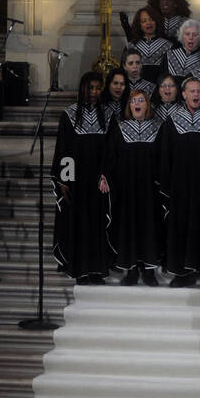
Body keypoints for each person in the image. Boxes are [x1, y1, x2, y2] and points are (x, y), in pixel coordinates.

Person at [51, 71, 112, 284]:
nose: (94, 92)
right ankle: (80, 270)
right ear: (82, 88)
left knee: (97, 226)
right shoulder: (69, 115)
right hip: (77, 182)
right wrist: (65, 181)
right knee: (79, 225)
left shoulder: (108, 115)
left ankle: (97, 270)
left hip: (98, 181)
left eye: (97, 88)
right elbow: (64, 150)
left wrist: (105, 175)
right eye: (90, 87)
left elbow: (110, 150)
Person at [160, 75, 200, 287]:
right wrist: (166, 187)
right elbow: (165, 155)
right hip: (180, 186)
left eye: (199, 91)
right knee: (181, 227)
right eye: (191, 91)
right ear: (183, 94)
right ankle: (182, 273)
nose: (196, 95)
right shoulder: (172, 120)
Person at [98, 89, 163, 286]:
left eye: (141, 100)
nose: (137, 103)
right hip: (127, 190)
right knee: (129, 227)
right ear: (129, 105)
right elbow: (110, 156)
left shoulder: (158, 127)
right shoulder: (120, 128)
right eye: (133, 100)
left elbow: (164, 157)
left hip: (151, 189)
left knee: (150, 226)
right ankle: (131, 270)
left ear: (147, 105)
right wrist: (105, 176)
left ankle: (149, 270)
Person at [126, 6, 172, 80]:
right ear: (139, 25)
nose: (148, 23)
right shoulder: (132, 46)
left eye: (151, 20)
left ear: (156, 22)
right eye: (144, 21)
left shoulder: (168, 45)